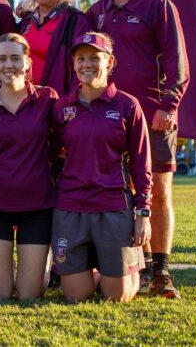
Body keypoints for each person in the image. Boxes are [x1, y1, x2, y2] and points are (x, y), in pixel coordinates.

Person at [86, 0, 188, 299]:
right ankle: (138, 268)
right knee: (125, 194)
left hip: (153, 117)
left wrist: (169, 105)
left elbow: (178, 62)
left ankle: (162, 271)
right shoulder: (96, 11)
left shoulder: (157, 6)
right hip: (111, 117)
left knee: (158, 194)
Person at [51, 32, 151, 303]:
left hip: (113, 206)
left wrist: (142, 212)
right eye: (80, 58)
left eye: (95, 58)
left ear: (110, 62)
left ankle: (128, 272)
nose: (87, 65)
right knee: (76, 296)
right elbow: (52, 155)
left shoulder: (128, 105)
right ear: (73, 63)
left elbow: (142, 164)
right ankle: (100, 271)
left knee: (116, 297)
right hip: (71, 206)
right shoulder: (62, 107)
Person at [0, 34, 58, 300]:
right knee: (1, 294)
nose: (9, 65)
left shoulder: (47, 99)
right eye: (2, 59)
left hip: (38, 204)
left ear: (27, 63)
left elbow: (61, 145)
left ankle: (48, 271)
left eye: (16, 58)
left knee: (30, 295)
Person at [17, 0, 92, 95]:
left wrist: (69, 106)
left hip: (57, 106)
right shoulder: (25, 22)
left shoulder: (76, 21)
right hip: (24, 106)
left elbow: (84, 69)